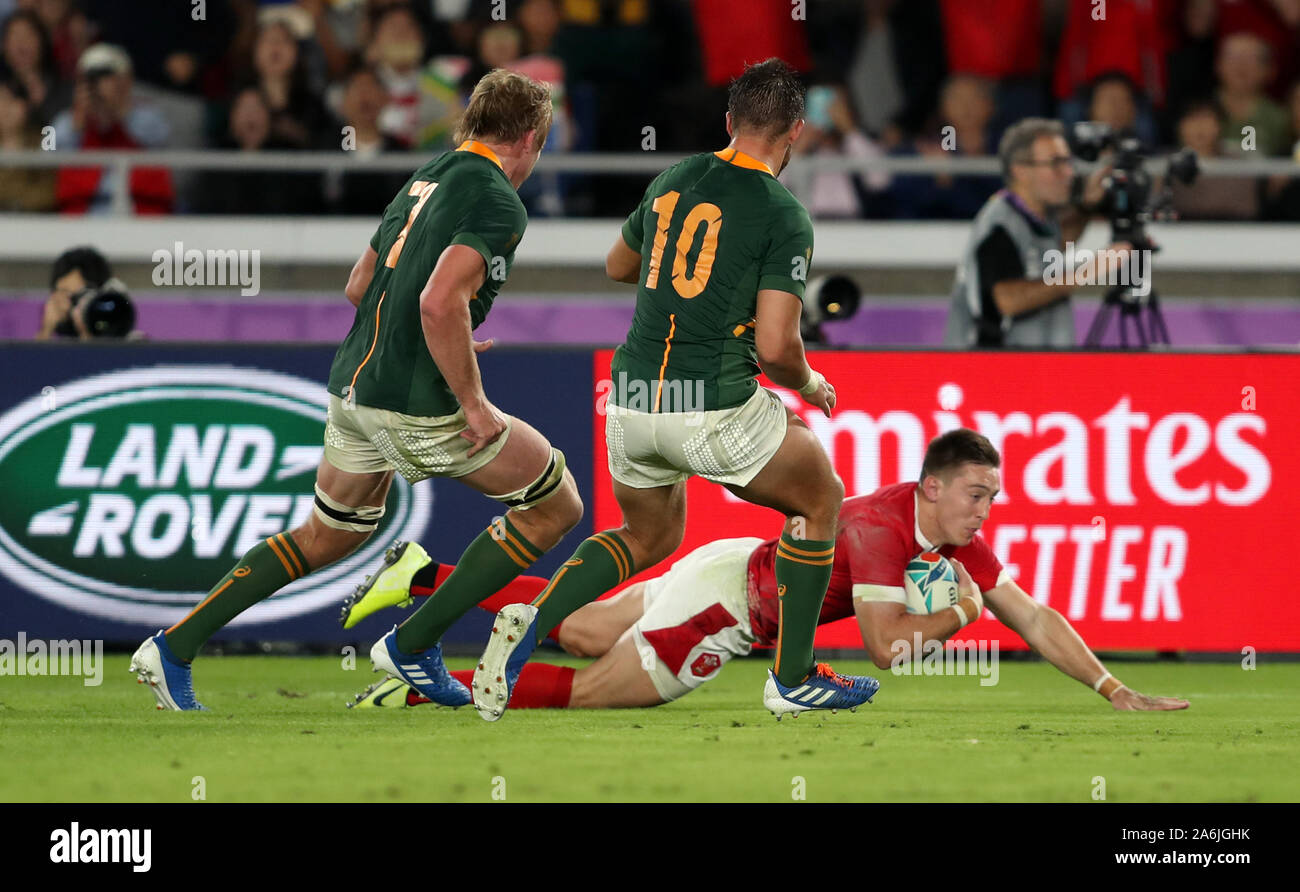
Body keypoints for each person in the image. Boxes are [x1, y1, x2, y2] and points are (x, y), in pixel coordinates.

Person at [130, 69, 583, 712]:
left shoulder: (425, 178)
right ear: (532, 137)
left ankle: (172, 646)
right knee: (555, 503)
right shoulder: (498, 199)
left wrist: (439, 335)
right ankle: (414, 642)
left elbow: (360, 285)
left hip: (352, 390)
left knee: (327, 535)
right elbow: (437, 302)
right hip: (413, 405)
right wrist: (472, 399)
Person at [461, 58, 878, 723]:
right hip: (709, 404)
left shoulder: (676, 176)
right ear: (797, 130)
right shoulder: (783, 213)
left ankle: (535, 617)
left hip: (629, 401)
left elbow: (617, 265)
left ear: (728, 122)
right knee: (820, 499)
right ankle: (794, 676)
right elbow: (775, 347)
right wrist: (811, 381)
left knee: (646, 534)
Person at [346, 429, 1190, 713]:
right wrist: (954, 620)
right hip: (729, 611)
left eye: (994, 498)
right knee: (591, 693)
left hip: (722, 566)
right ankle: (426, 685)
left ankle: (423, 577)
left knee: (574, 626)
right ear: (933, 487)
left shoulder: (947, 530)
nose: (986, 510)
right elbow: (889, 648)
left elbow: (1033, 613)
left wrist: (1114, 689)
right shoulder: (881, 528)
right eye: (977, 495)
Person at [943, 118, 1128, 348]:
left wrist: (1087, 206)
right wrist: (1088, 271)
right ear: (1020, 171)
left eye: (1068, 162)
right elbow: (1007, 300)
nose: (1068, 173)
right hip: (994, 371)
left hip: (1036, 370)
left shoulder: (1039, 216)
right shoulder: (999, 224)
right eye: (1056, 164)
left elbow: (1052, 243)